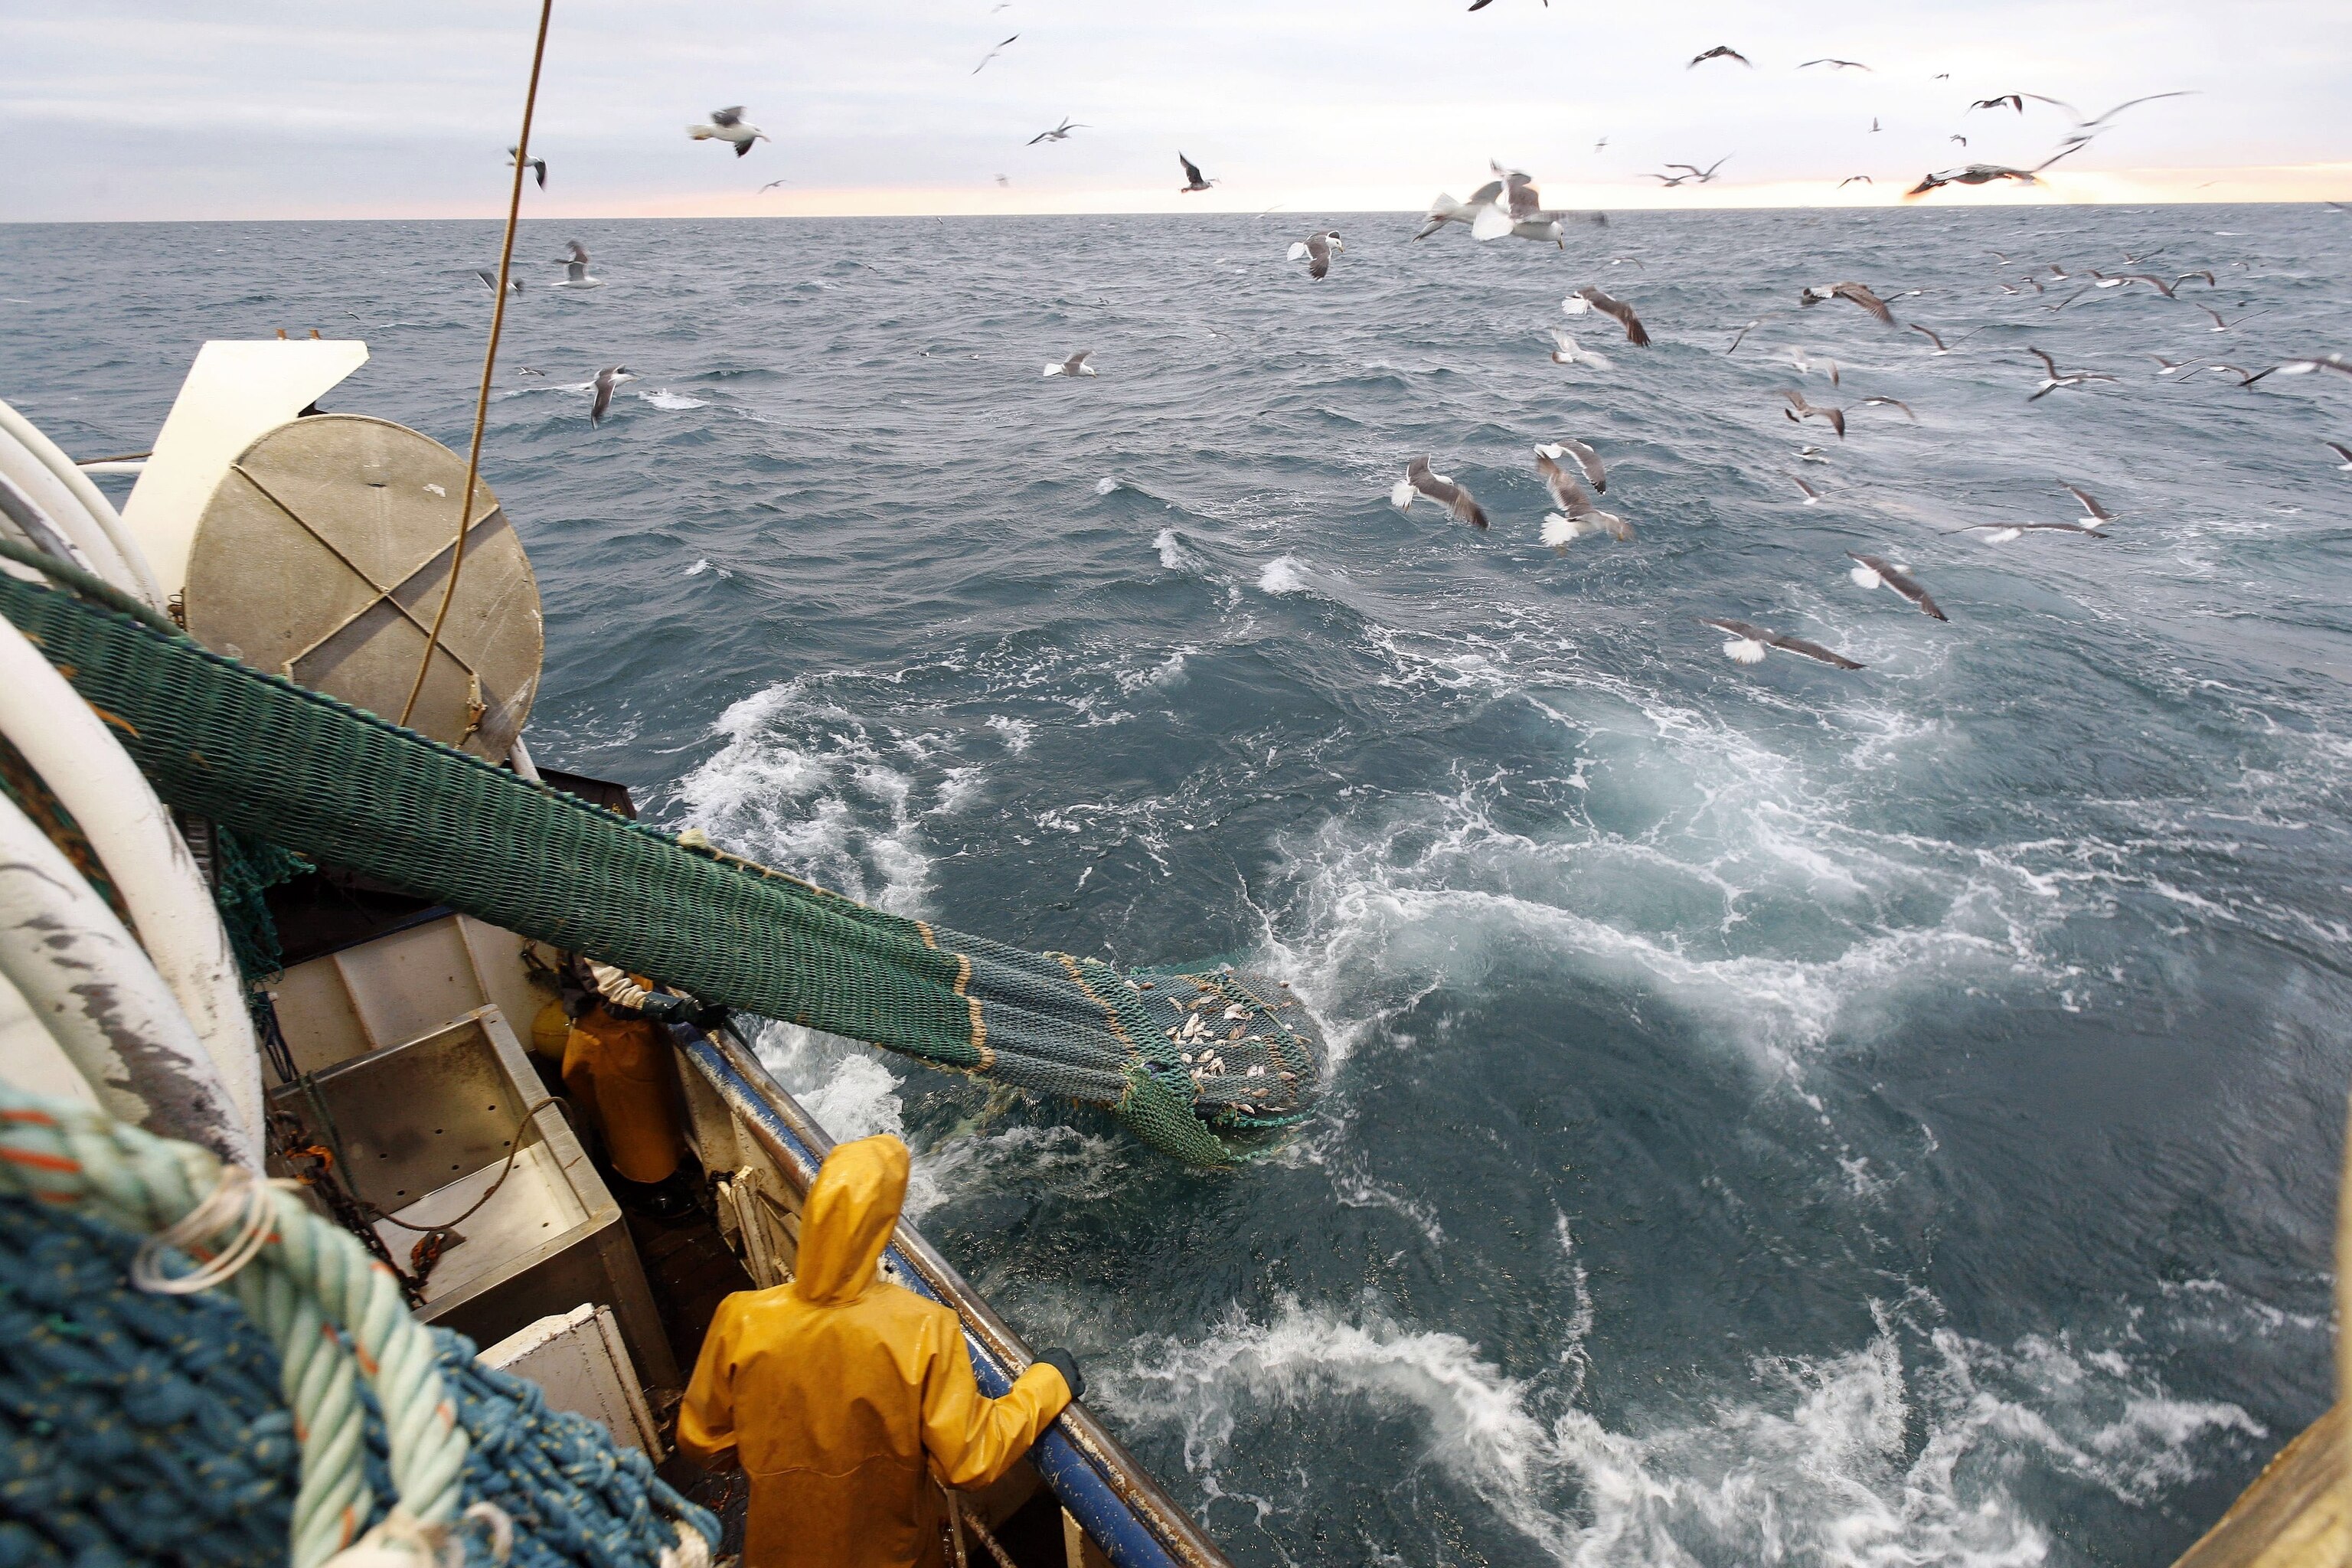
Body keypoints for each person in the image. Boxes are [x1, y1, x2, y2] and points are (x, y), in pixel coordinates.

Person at [678, 1134, 1081, 1568]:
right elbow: (969, 1460)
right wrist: (1047, 1383)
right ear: (884, 1221)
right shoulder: (924, 1328)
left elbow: (703, 1441)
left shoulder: (740, 1318)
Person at [560, 958, 707, 1214]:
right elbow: (616, 997)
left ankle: (671, 1166)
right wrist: (682, 1009)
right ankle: (650, 1189)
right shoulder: (589, 939)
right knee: (633, 1128)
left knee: (656, 1112)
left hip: (637, 1032)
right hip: (610, 1043)